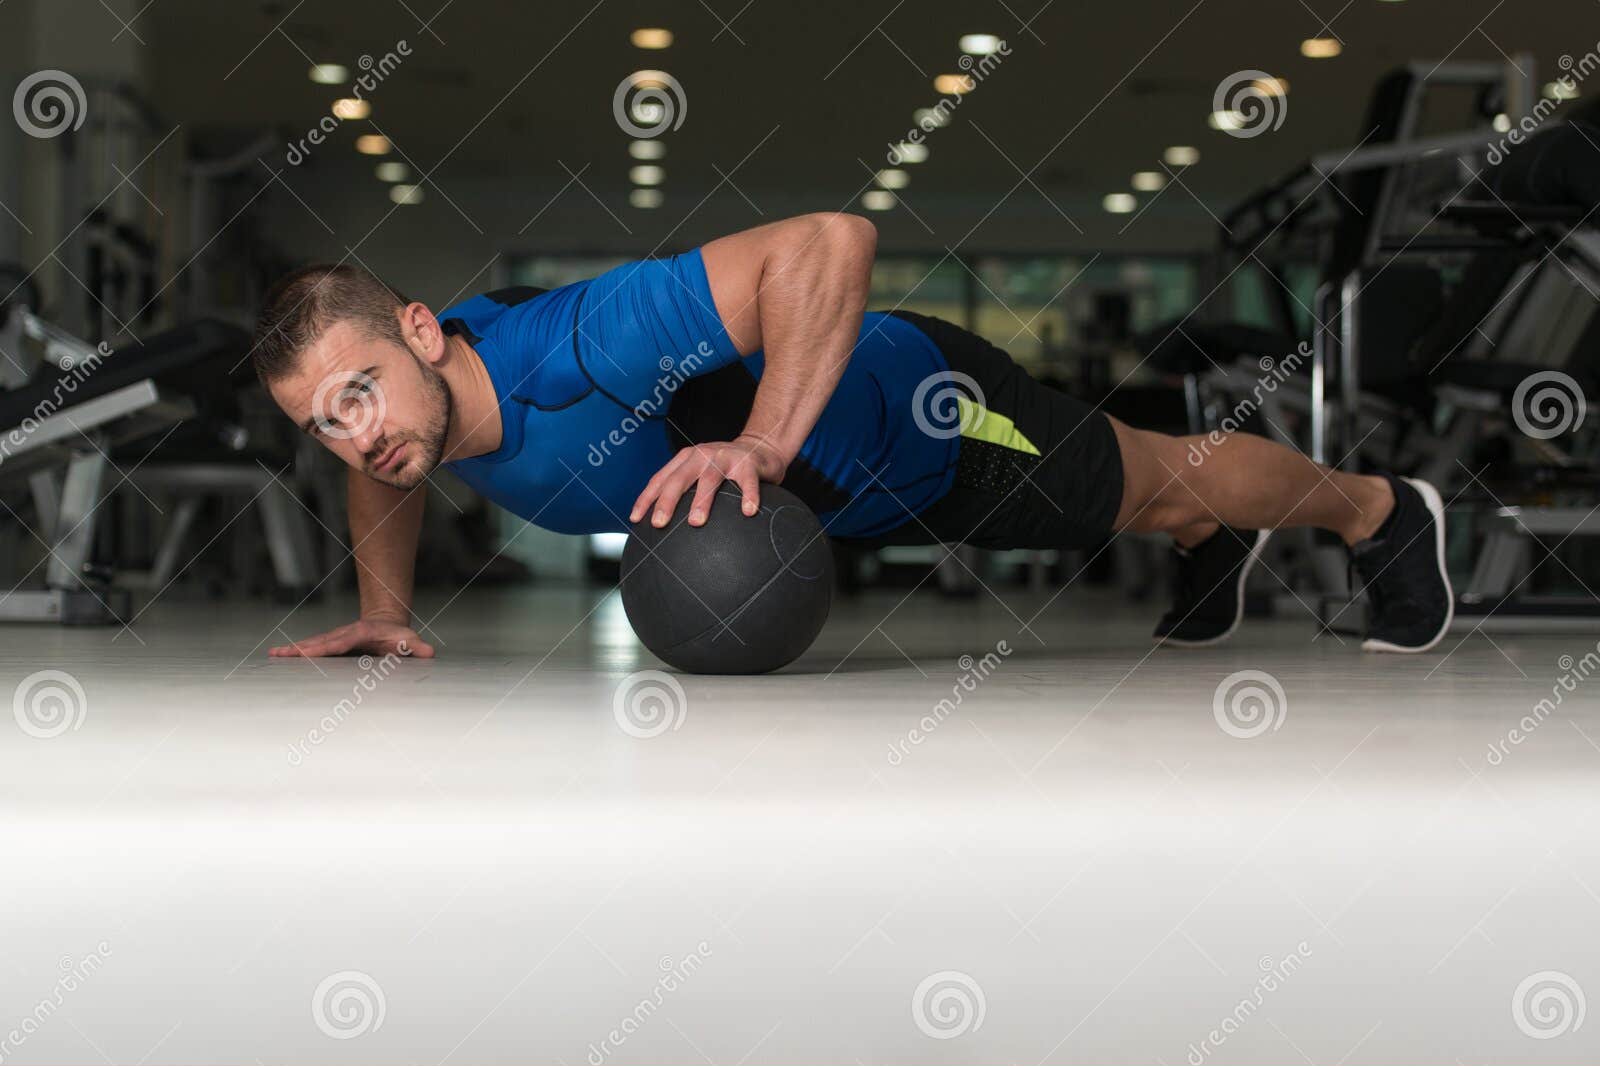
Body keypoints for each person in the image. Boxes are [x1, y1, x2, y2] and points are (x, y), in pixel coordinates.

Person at [251, 212, 1452, 660]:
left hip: (932, 418)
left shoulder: (576, 345)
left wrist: (763, 448)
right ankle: (1216, 545)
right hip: (869, 496)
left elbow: (827, 241)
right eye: (325, 423)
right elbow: (390, 479)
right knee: (1158, 508)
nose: (356, 439)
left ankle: (1380, 514)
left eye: (360, 389)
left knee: (1165, 485)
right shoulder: (414, 421)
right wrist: (388, 613)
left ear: (420, 328)